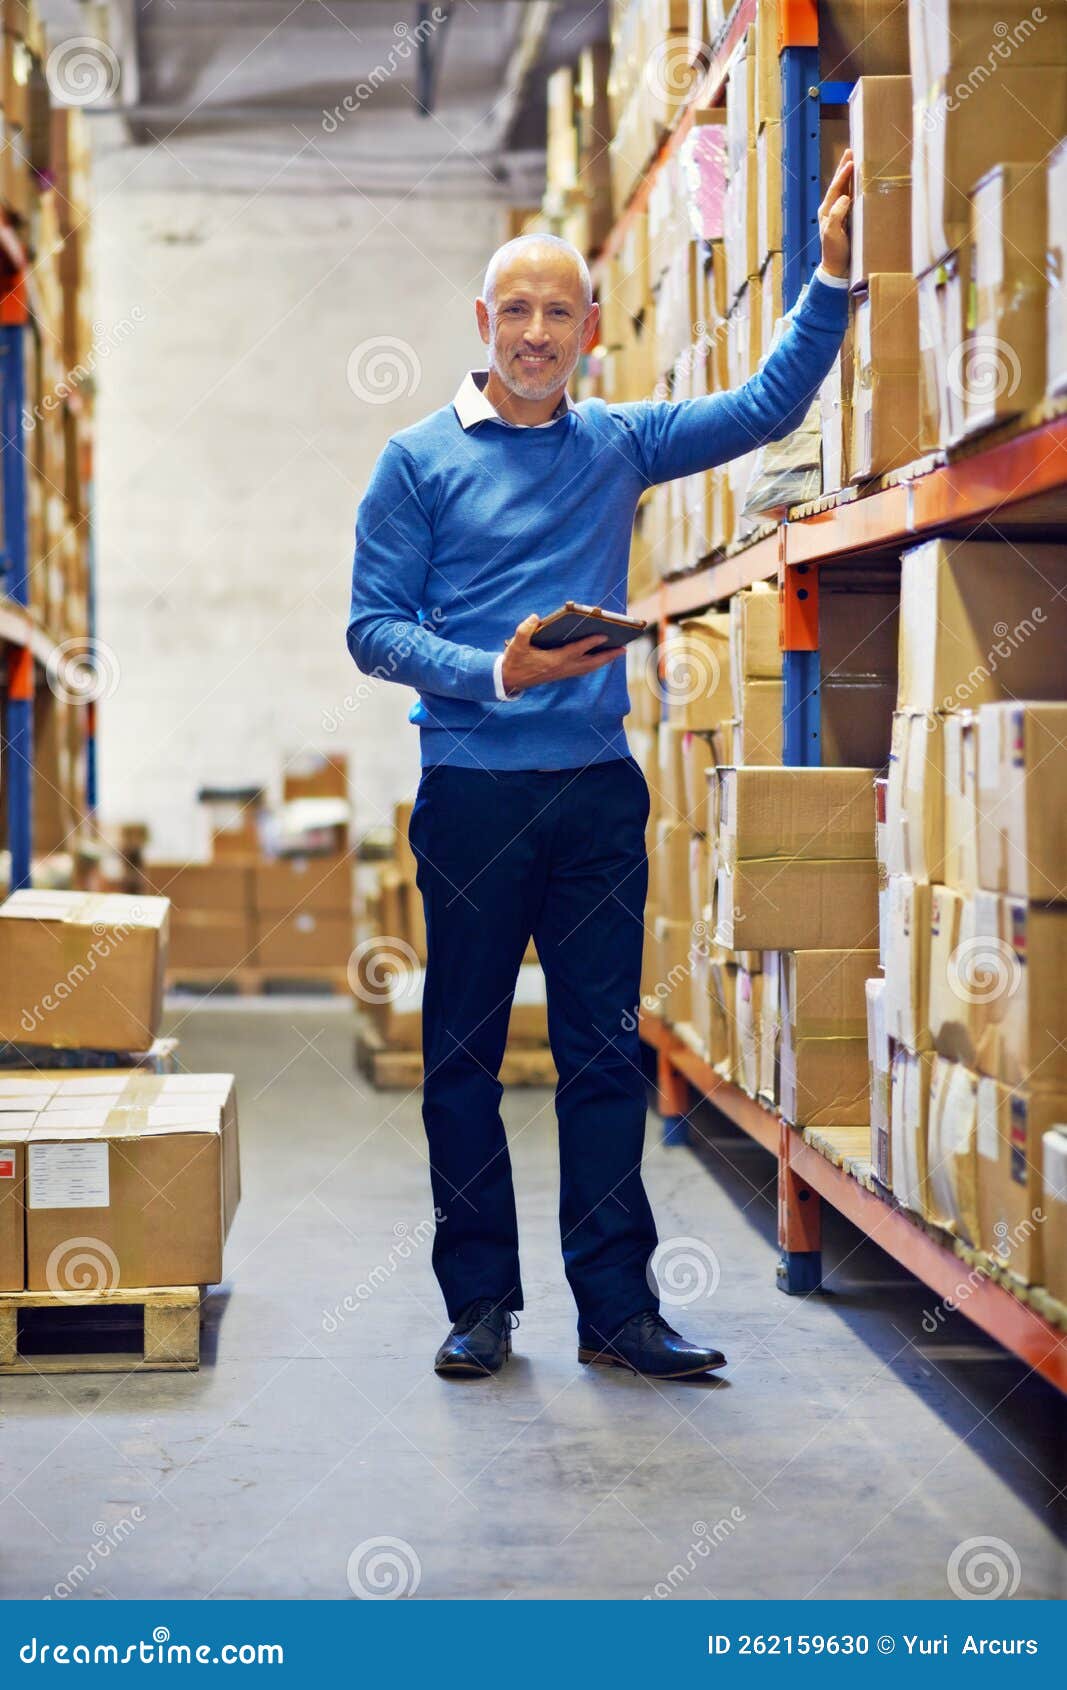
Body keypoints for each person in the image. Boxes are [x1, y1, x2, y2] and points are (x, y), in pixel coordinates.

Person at [347, 152, 854, 1381]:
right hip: (471, 791)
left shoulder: (616, 441)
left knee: (598, 1052)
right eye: (512, 310)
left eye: (556, 312)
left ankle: (616, 1310)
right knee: (462, 1052)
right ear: (482, 324)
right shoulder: (415, 462)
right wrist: (494, 671)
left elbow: (762, 409)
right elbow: (372, 629)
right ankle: (478, 1305)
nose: (533, 332)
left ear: (584, 330)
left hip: (589, 796)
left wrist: (833, 272)